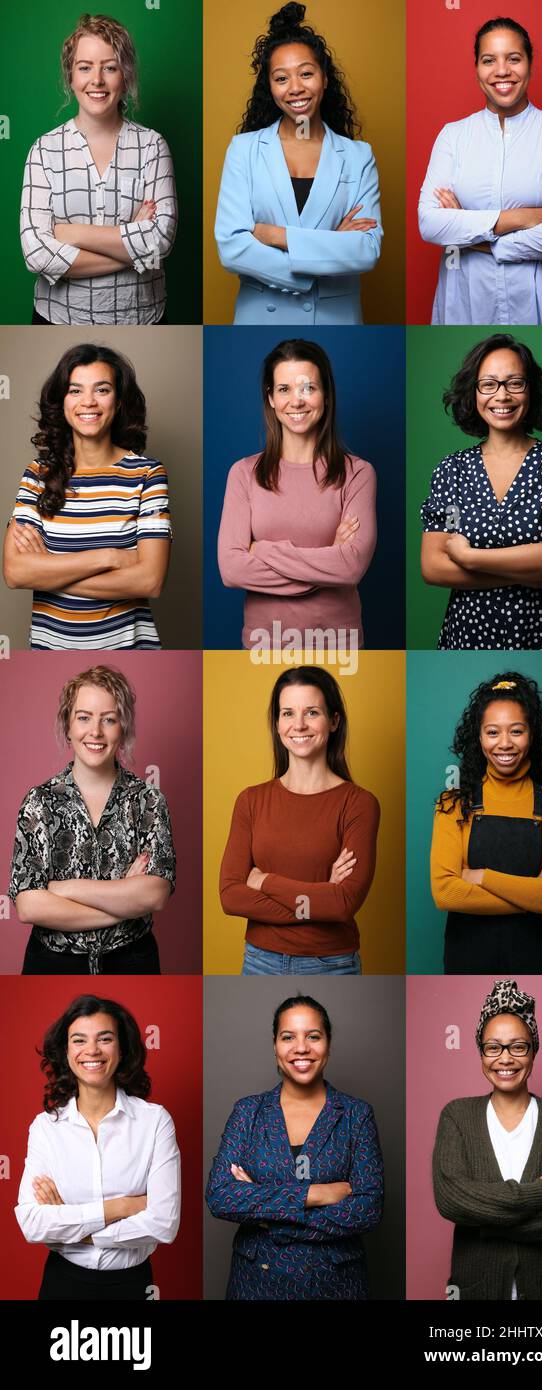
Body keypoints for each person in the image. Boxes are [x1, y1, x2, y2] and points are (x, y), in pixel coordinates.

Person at [206, 994, 383, 1300]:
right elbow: (221, 1196)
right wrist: (316, 1194)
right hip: (256, 1284)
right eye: (288, 1037)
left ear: (328, 1043)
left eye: (313, 1036)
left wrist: (267, 1215)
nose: (301, 1047)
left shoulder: (356, 1114)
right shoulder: (248, 1111)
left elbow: (367, 1210)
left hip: (336, 1284)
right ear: (275, 1045)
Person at [214, 2, 382, 325]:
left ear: (325, 79)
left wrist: (277, 236)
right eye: (281, 78)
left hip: (337, 320)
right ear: (271, 87)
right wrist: (329, 247)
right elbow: (232, 247)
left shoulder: (359, 157)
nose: (295, 88)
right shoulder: (243, 150)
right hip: (260, 320)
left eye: (306, 73)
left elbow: (366, 249)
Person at [420, 334, 542, 649]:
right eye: (489, 384)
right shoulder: (451, 471)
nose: (502, 395)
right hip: (467, 634)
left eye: (515, 383)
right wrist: (521, 575)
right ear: (474, 392)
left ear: (530, 390)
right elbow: (433, 566)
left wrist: (469, 557)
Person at [2, 342, 172, 649]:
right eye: (75, 390)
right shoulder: (37, 474)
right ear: (62, 401)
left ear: (119, 400)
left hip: (130, 652)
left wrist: (50, 569)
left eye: (102, 390)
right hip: (49, 655)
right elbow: (15, 572)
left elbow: (150, 581)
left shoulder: (148, 474)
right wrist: (109, 557)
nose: (88, 402)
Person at [9, 664, 176, 975]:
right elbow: (29, 905)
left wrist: (65, 888)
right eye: (84, 717)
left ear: (123, 727)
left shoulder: (147, 800)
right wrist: (123, 901)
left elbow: (154, 894)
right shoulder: (40, 801)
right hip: (52, 963)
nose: (95, 732)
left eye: (109, 719)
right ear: (68, 726)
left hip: (132, 961)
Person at [432, 979, 542, 1301]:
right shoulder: (457, 1116)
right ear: (481, 1052)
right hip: (476, 1289)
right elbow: (451, 1199)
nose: (505, 1058)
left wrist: (488, 1225)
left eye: (518, 1046)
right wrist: (539, 1191)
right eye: (493, 1047)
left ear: (534, 1051)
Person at [418, 17, 542, 325]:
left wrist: (475, 240)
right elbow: (429, 224)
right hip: (466, 294)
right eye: (489, 60)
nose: (502, 71)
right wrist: (520, 218)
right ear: (477, 69)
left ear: (530, 65)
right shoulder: (452, 136)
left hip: (539, 297)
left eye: (514, 59)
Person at [15, 993, 181, 1300]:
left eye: (105, 1039)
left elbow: (164, 1223)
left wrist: (72, 1225)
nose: (92, 1050)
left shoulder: (155, 1122)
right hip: (63, 1282)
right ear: (65, 1052)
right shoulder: (45, 1128)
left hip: (133, 1286)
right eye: (79, 1040)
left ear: (122, 1050)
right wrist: (122, 1207)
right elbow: (32, 1224)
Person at [219, 665, 380, 974]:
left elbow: (343, 903)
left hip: (331, 964)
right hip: (259, 961)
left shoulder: (359, 803)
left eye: (312, 713)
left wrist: (264, 881)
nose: (299, 725)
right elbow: (231, 897)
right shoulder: (250, 800)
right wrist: (319, 899)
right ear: (277, 724)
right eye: (288, 713)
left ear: (334, 721)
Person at [217, 338, 377, 650]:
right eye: (284, 389)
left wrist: (261, 550)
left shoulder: (359, 473)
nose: (297, 400)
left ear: (326, 395)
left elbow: (351, 567)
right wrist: (328, 556)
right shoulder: (243, 473)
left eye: (309, 388)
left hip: (338, 643)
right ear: (271, 399)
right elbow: (232, 570)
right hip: (265, 643)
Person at [20, 12, 177, 325]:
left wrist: (72, 233)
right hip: (57, 319)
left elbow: (159, 242)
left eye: (110, 67)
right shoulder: (44, 150)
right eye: (85, 67)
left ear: (125, 75)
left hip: (141, 319)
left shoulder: (152, 146)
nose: (97, 80)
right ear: (71, 77)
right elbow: (36, 253)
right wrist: (133, 252)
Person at [430, 671, 542, 973]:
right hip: (466, 960)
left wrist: (482, 876)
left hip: (536, 959)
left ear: (532, 734)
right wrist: (534, 891)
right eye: (493, 732)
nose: (505, 744)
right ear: (479, 737)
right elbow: (445, 893)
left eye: (517, 731)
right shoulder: (453, 804)